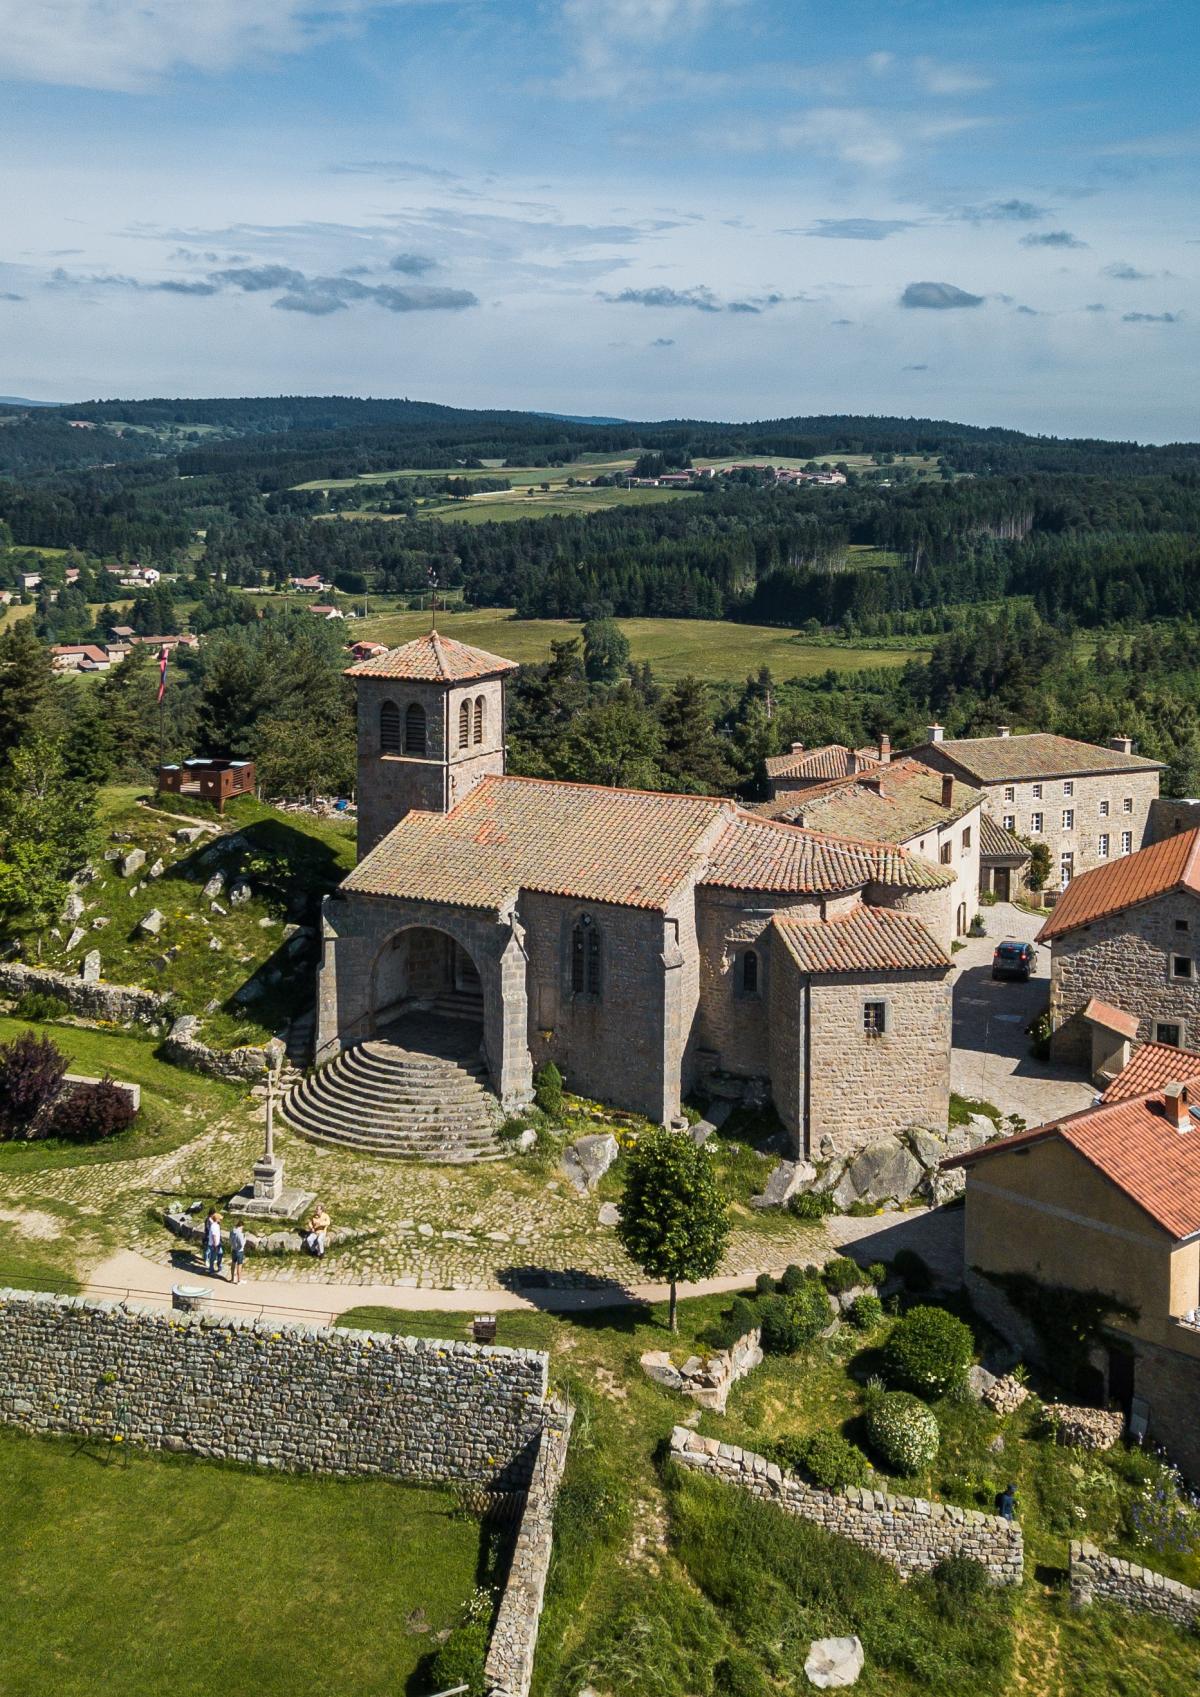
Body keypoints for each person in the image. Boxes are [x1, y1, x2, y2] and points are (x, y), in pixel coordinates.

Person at [203, 1209, 220, 1275]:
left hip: (211, 1238)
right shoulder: (208, 1220)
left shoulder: (213, 1220)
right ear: (211, 1214)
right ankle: (206, 1260)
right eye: (214, 1214)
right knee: (207, 1250)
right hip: (208, 1237)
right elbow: (207, 1229)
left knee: (210, 1250)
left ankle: (211, 1260)